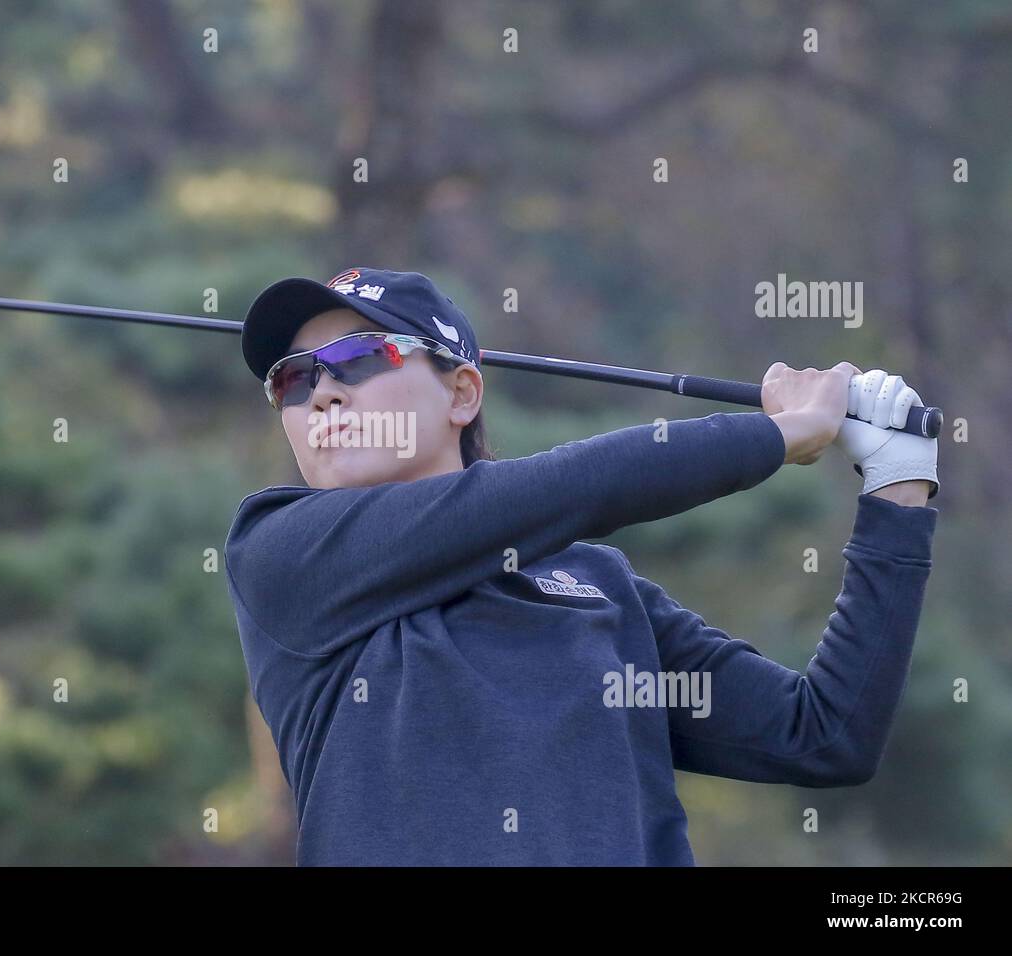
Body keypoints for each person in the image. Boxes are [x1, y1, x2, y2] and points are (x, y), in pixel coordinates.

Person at [223, 266, 940, 866]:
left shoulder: (597, 585)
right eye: (292, 379)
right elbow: (568, 488)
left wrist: (897, 494)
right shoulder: (279, 552)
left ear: (462, 393)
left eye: (358, 357)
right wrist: (779, 433)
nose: (321, 392)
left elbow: (822, 736)